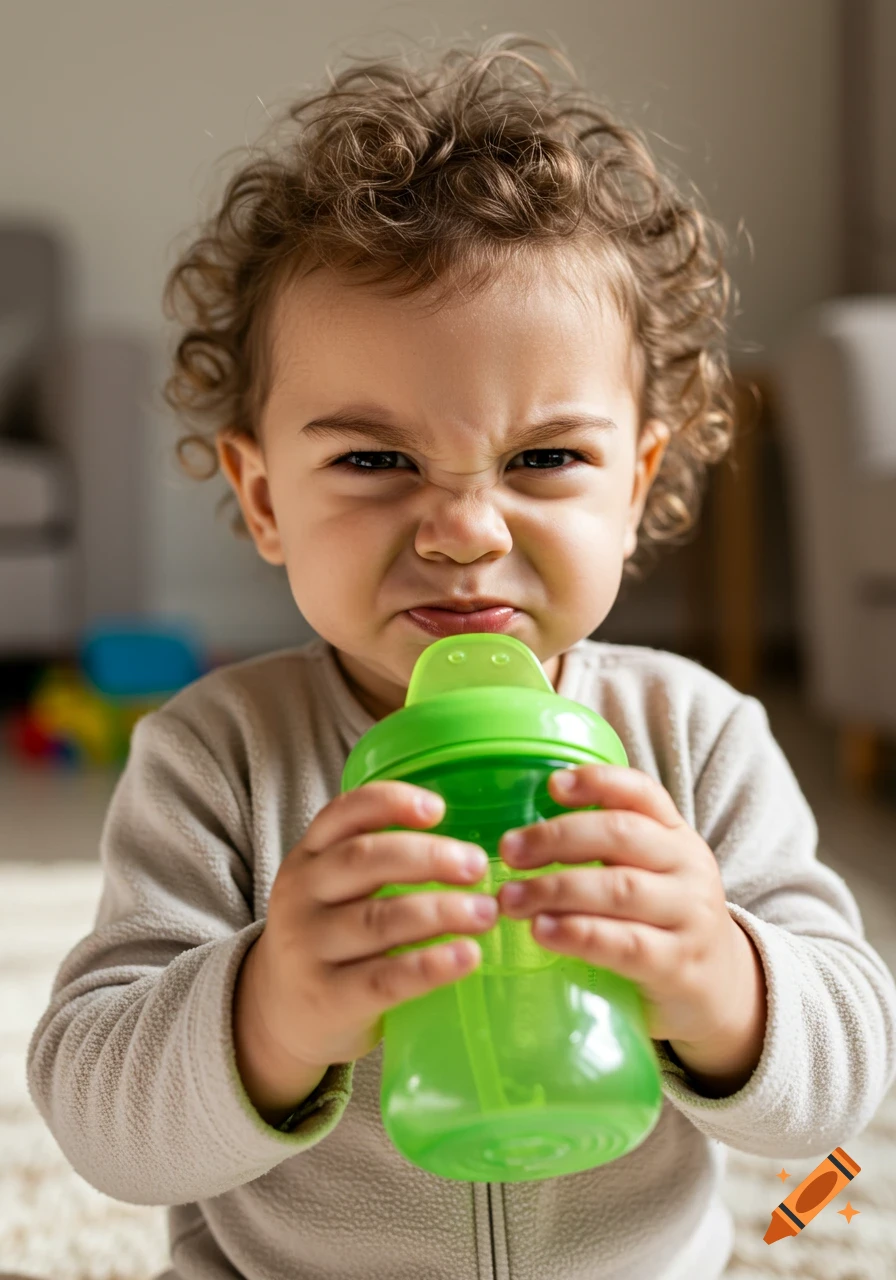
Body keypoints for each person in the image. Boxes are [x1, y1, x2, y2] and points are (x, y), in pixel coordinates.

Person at [24, 32, 896, 1280]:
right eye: (374, 461)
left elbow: (845, 1076)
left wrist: (723, 979)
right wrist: (264, 1009)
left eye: (543, 459)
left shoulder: (693, 739)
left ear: (635, 481)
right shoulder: (216, 761)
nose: (465, 527)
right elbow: (98, 1114)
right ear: (263, 497)